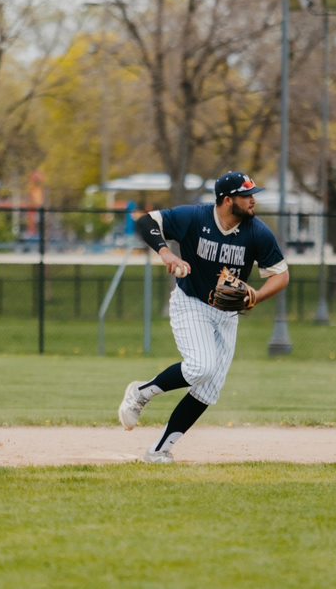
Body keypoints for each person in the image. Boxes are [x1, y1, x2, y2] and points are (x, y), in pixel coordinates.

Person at [118, 171, 290, 463]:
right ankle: (141, 393)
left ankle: (158, 451)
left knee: (209, 388)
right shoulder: (195, 218)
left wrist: (256, 296)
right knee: (200, 366)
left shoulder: (256, 231)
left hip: (227, 314)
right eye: (246, 195)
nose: (252, 200)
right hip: (191, 303)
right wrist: (166, 253)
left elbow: (281, 275)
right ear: (227, 200)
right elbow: (146, 221)